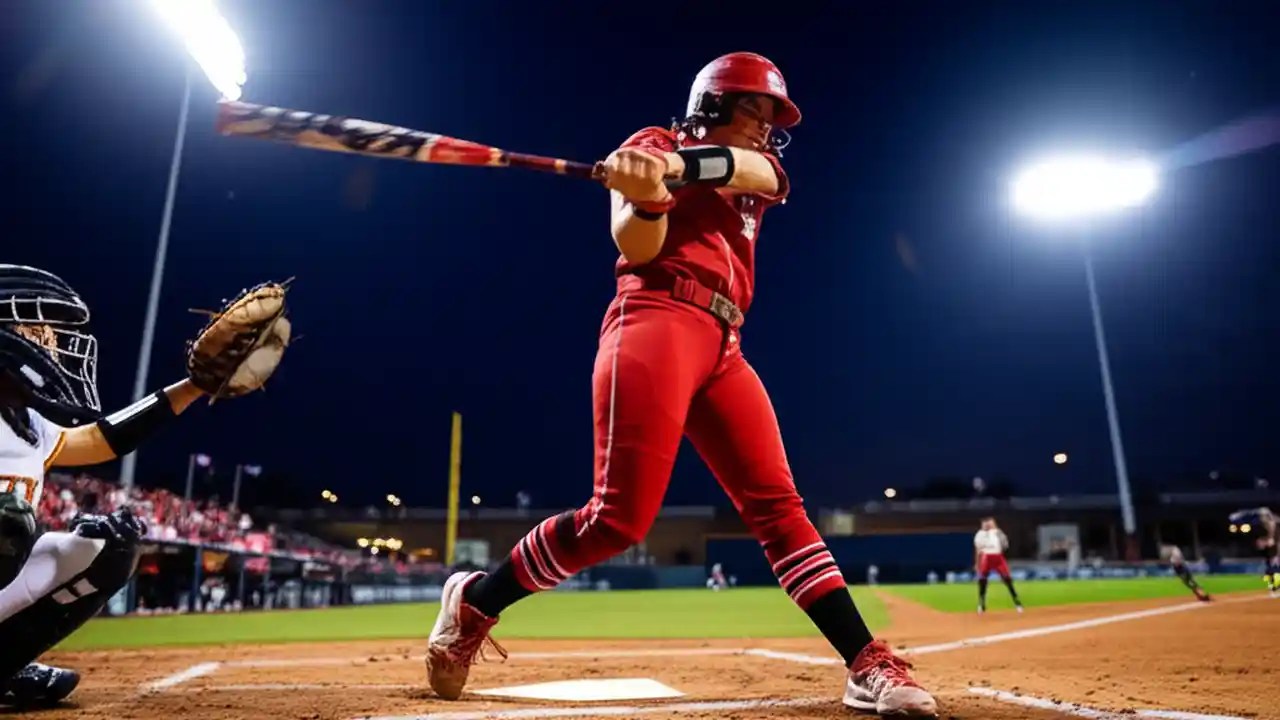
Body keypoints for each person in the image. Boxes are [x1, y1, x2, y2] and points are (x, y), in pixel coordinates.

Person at [424, 52, 937, 717]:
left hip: (725, 344)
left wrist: (676, 171)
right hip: (655, 318)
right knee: (618, 520)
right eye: (760, 112)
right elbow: (636, 245)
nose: (770, 131)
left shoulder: (754, 171)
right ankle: (475, 604)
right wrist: (649, 193)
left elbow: (760, 171)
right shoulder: (648, 145)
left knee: (780, 506)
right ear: (717, 105)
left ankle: (866, 662)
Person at [0, 265, 282, 707]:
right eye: (37, 329)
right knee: (7, 521)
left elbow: (100, 439)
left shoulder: (28, 423)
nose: (52, 343)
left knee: (106, 545)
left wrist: (193, 386)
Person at [974, 517, 1023, 614]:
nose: (988, 524)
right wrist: (977, 563)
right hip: (986, 557)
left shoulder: (998, 532)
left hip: (998, 557)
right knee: (982, 580)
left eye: (990, 523)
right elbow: (977, 550)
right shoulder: (979, 535)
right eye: (985, 523)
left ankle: (1017, 603)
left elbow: (1005, 546)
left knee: (1008, 580)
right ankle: (981, 604)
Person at [1230, 507, 1278, 597]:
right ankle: (1273, 587)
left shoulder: (1272, 522)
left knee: (1273, 565)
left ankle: (1274, 586)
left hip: (1274, 546)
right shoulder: (1262, 523)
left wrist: (1269, 540)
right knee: (1270, 565)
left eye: (1264, 516)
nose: (1262, 518)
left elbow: (1272, 534)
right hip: (1271, 547)